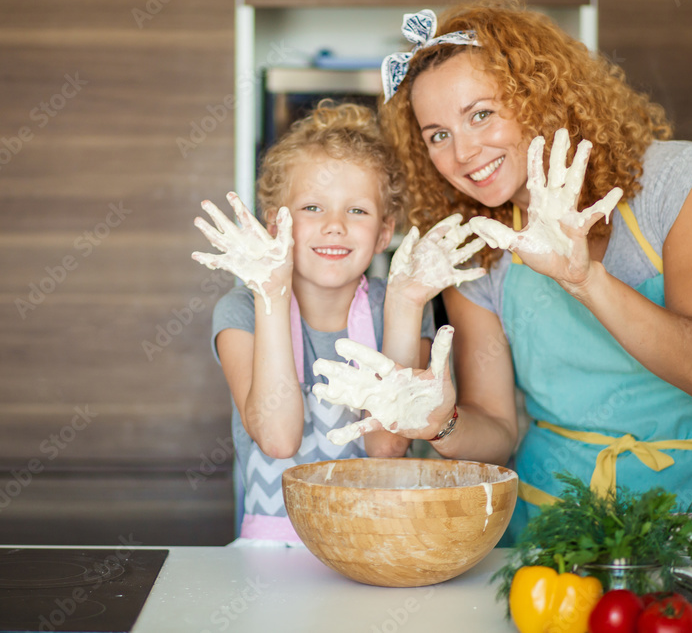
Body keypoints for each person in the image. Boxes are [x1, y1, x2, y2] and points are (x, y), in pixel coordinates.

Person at [371, 0, 692, 538]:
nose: (463, 152)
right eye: (438, 135)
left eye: (481, 114)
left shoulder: (679, 183)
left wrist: (584, 279)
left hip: (688, 519)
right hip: (549, 524)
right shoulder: (476, 245)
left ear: (538, 98)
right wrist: (443, 424)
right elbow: (498, 429)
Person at [193, 101, 483, 545]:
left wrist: (405, 304)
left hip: (375, 544)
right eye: (312, 208)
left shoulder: (402, 304)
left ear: (385, 232)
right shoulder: (245, 310)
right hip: (274, 552)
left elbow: (387, 448)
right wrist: (271, 294)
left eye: (357, 211)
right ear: (277, 224)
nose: (334, 226)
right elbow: (277, 439)